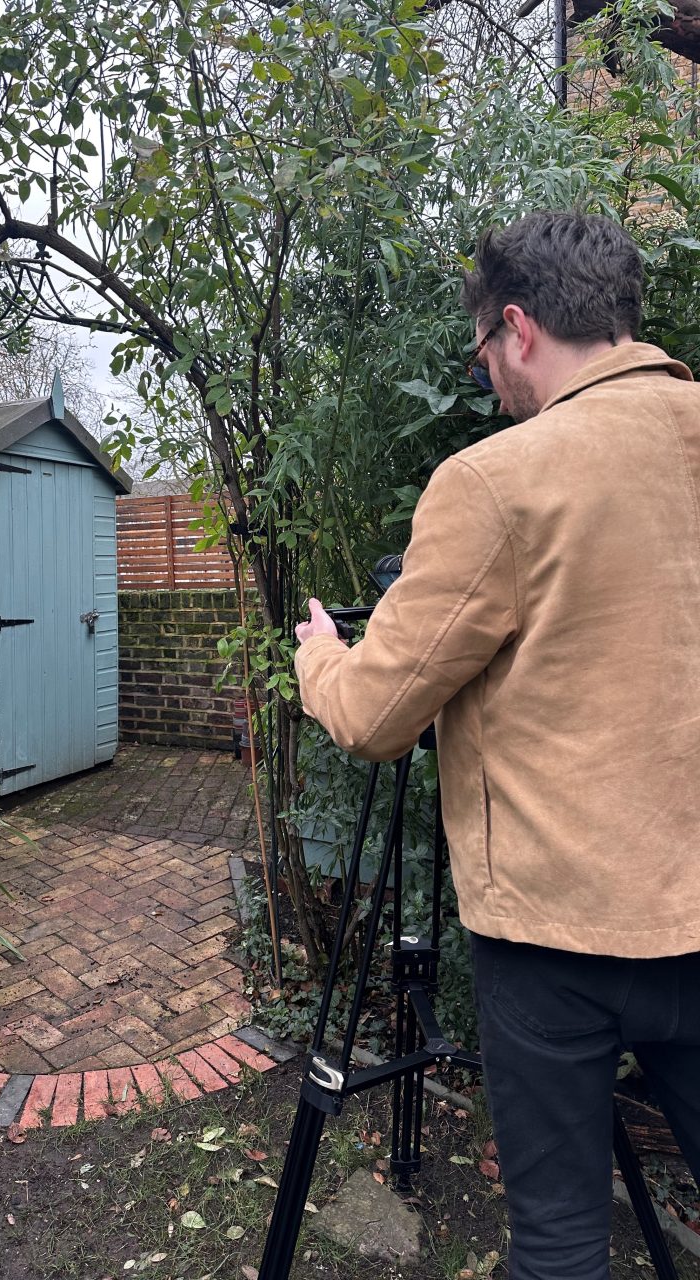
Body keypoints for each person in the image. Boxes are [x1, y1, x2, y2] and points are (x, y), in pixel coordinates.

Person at [293, 210, 700, 1280]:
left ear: (517, 328)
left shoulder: (498, 480)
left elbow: (380, 717)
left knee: (561, 1242)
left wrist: (320, 658)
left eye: (484, 358)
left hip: (557, 933)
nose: (491, 383)